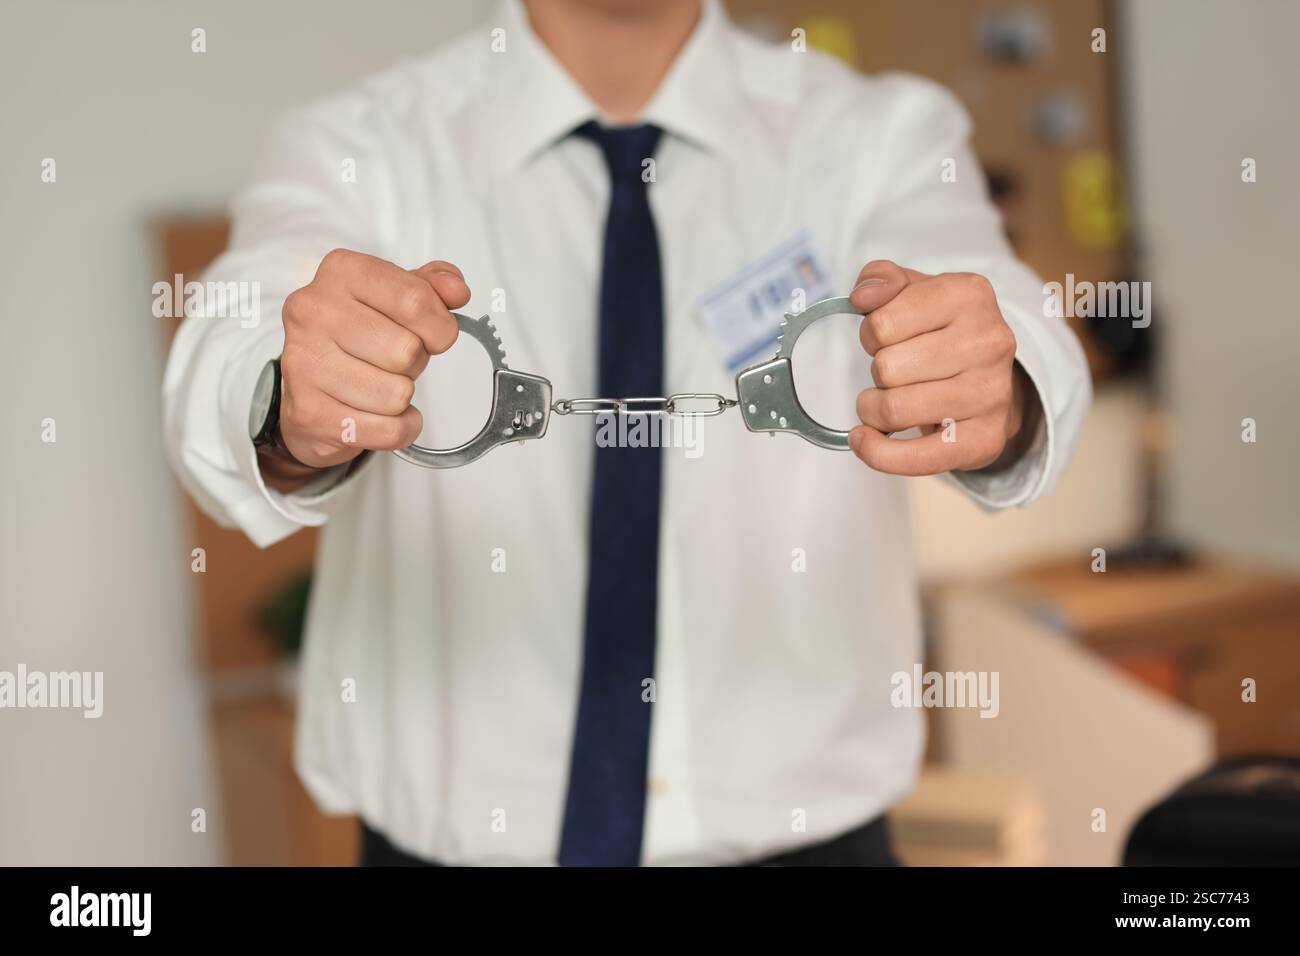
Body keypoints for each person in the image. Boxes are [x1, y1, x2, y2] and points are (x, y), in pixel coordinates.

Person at [164, 0, 1090, 866]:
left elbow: (1003, 313)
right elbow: (229, 348)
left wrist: (995, 383)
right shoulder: (354, 144)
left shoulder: (885, 136)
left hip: (817, 839)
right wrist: (289, 399)